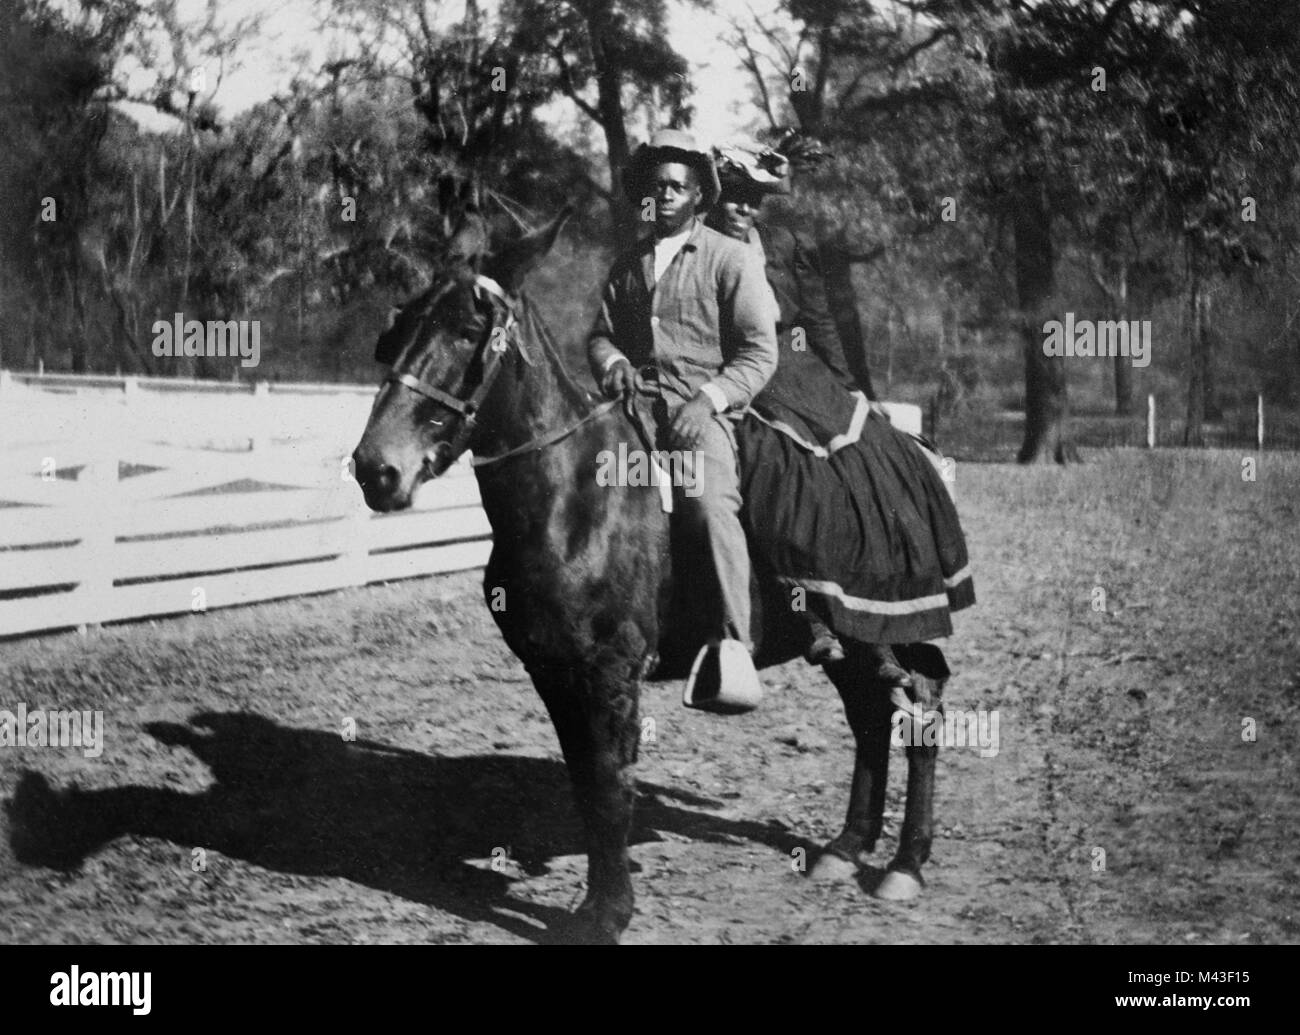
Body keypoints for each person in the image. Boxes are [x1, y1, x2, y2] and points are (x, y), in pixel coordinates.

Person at [705, 141, 974, 683]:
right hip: (733, 368)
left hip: (796, 363)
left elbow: (820, 315)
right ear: (712, 197)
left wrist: (851, 386)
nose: (743, 210)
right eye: (733, 198)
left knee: (868, 454)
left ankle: (879, 619)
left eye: (753, 200)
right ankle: (804, 609)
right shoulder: (697, 248)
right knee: (776, 458)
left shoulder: (782, 242)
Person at [587, 130, 779, 712]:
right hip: (633, 410)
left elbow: (759, 353)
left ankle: (733, 647)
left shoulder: (730, 259)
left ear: (700, 196)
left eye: (678, 187)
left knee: (706, 503)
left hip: (700, 415)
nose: (665, 195)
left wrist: (711, 401)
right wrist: (614, 361)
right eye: (657, 186)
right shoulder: (627, 266)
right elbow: (599, 335)